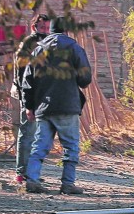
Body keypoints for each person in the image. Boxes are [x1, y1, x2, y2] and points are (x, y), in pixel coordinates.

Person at [21, 17, 92, 194]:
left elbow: (27, 81)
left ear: (50, 30)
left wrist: (29, 106)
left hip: (44, 107)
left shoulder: (38, 50)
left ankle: (32, 180)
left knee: (40, 145)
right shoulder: (74, 48)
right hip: (67, 105)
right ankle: (67, 184)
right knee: (71, 147)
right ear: (67, 30)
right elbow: (85, 79)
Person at [10, 14, 51, 184]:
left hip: (42, 96)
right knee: (27, 133)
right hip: (29, 96)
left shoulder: (47, 43)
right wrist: (27, 102)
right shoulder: (29, 44)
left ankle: (30, 173)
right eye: (42, 28)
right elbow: (21, 74)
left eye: (48, 28)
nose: (45, 31)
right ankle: (21, 173)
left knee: (36, 136)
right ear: (34, 27)